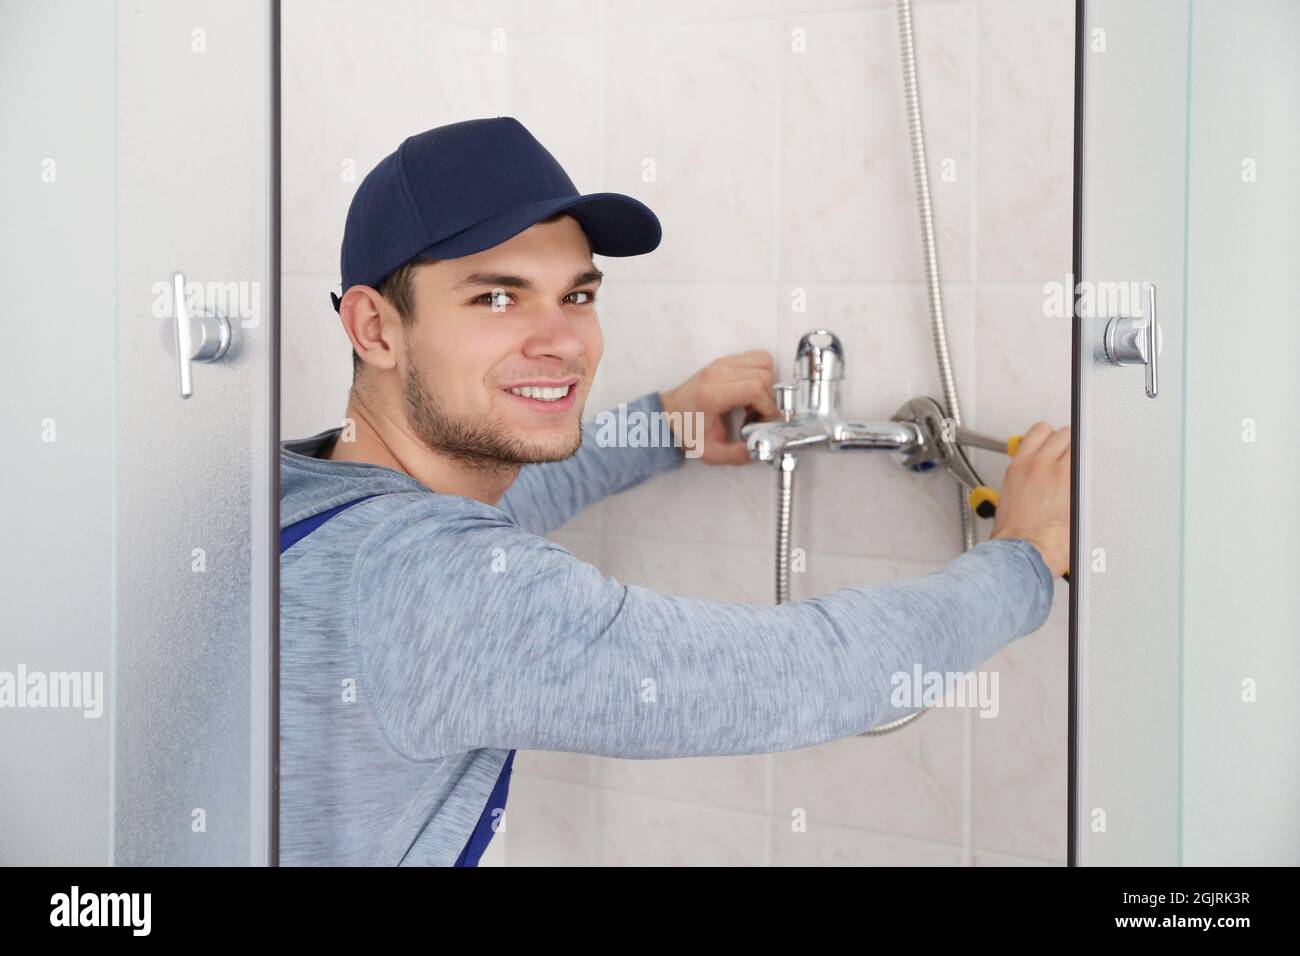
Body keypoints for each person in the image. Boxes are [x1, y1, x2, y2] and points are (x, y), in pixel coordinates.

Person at [279, 117, 1071, 866]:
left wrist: (665, 427)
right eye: (497, 296)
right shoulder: (436, 588)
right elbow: (796, 677)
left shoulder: (300, 495)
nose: (561, 342)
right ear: (375, 329)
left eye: (578, 296)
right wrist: (1024, 559)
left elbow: (476, 528)